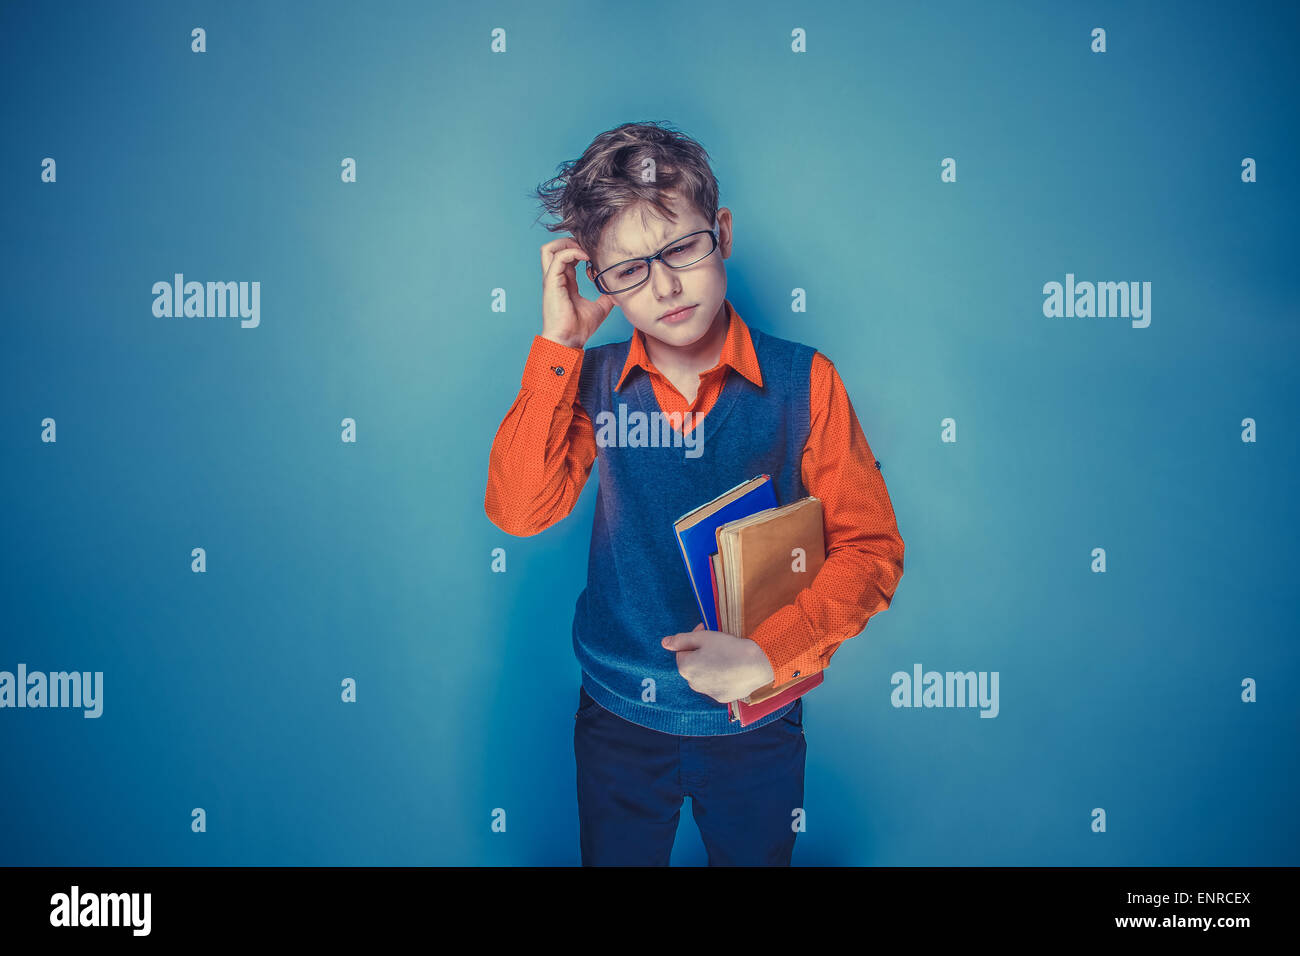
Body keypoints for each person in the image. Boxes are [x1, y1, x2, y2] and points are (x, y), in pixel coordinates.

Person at [485, 120, 905, 865]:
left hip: (757, 719)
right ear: (597, 281)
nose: (665, 286)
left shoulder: (806, 382)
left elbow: (871, 552)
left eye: (681, 247)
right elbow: (520, 512)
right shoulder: (589, 385)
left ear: (723, 234)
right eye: (628, 270)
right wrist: (558, 348)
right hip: (617, 716)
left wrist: (767, 654)